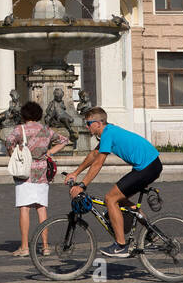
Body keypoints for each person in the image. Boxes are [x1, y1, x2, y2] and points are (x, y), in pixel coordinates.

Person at [64, 107, 162, 259]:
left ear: (98, 123)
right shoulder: (108, 132)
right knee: (120, 200)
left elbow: (98, 163)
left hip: (147, 167)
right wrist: (75, 173)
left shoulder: (108, 133)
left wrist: (82, 185)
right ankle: (152, 233)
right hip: (150, 165)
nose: (86, 127)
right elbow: (93, 155)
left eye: (88, 123)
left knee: (110, 198)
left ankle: (121, 246)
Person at [6, 101, 69, 257]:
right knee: (41, 208)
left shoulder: (20, 129)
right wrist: (49, 153)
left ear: (24, 115)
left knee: (24, 208)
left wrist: (13, 153)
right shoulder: (46, 130)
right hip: (42, 171)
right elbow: (64, 140)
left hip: (25, 171)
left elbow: (8, 141)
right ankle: (46, 246)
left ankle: (25, 247)